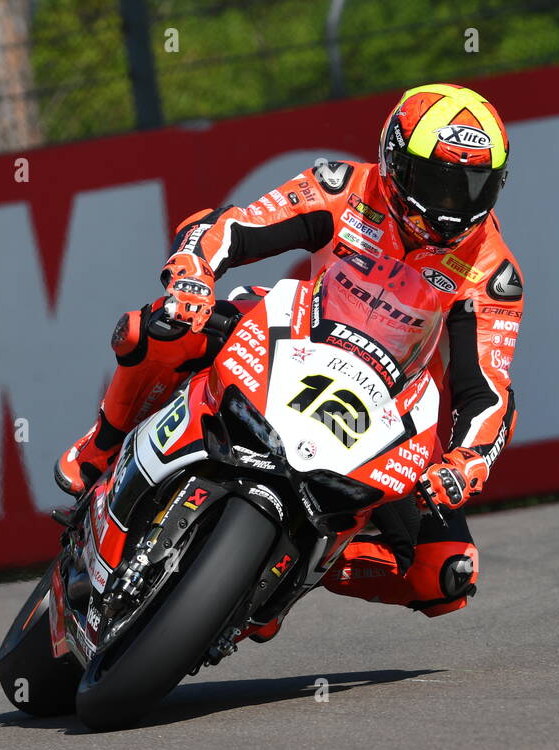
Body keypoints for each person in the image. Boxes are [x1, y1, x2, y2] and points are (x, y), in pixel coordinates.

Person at [56, 82, 524, 624]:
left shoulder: (492, 272)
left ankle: (290, 565)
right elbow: (235, 227)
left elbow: (487, 389)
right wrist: (193, 276)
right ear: (394, 160)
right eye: (439, 183)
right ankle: (100, 448)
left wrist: (468, 460)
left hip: (382, 413)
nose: (451, 207)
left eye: (472, 187)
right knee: (157, 329)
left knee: (448, 575)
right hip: (290, 339)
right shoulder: (344, 187)